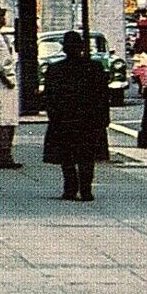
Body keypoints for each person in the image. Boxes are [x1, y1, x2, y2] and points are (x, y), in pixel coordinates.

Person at [42, 30, 110, 201]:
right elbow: (103, 95)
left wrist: (53, 115)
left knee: (67, 156)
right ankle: (85, 189)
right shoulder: (94, 67)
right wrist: (103, 118)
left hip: (64, 119)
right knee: (87, 156)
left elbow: (49, 97)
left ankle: (70, 188)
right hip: (89, 119)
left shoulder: (55, 69)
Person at [0, 3, 21, 168]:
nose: (5, 19)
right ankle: (4, 155)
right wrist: (10, 79)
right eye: (2, 16)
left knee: (3, 118)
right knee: (5, 120)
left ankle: (3, 154)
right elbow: (3, 62)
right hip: (2, 85)